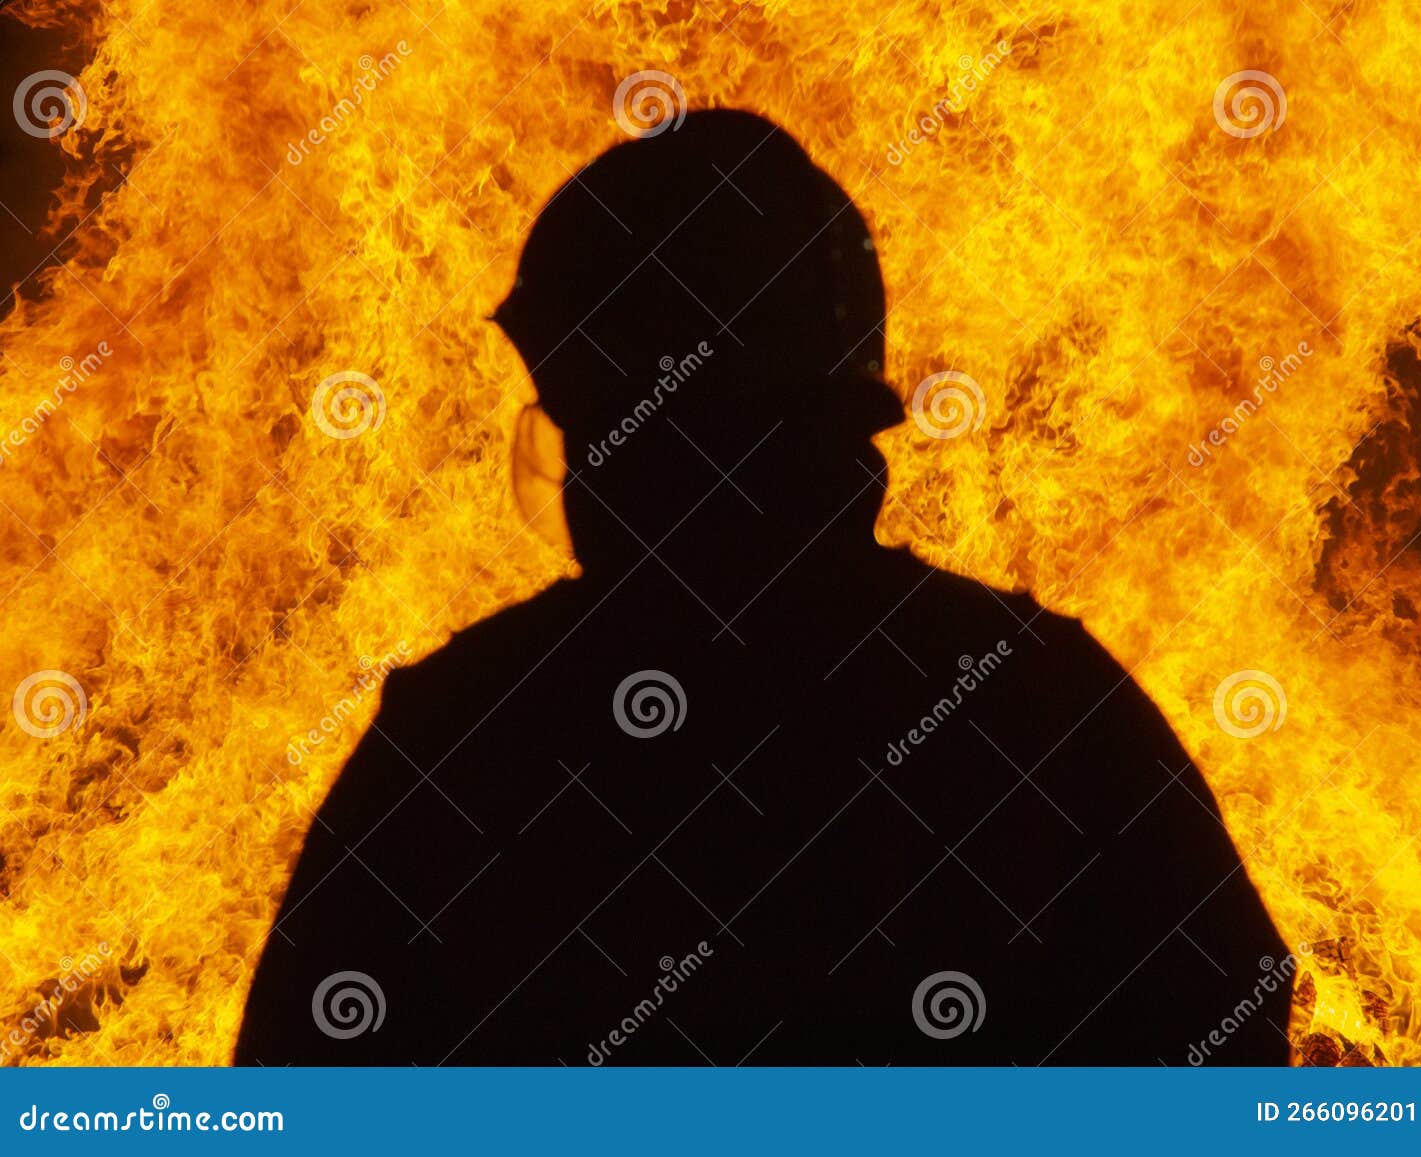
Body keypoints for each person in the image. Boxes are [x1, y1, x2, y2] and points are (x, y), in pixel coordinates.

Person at [236, 109, 1290, 1065]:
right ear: (841, 417)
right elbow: (1222, 1019)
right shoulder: (1037, 697)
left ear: (606, 431)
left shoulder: (472, 726)